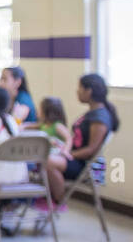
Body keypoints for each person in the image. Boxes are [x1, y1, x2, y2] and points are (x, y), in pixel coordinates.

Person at [44, 73, 119, 203]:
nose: (77, 91)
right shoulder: (93, 113)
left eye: (79, 88)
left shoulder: (100, 119)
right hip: (75, 158)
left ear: (88, 91)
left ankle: (58, 201)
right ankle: (47, 199)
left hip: (86, 166)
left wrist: (67, 154)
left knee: (47, 162)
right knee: (41, 155)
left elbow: (91, 150)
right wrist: (63, 148)